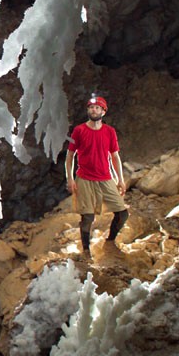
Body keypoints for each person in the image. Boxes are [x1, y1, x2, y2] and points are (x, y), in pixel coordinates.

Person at [65, 94, 128, 261]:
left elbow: (114, 157)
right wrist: (70, 178)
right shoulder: (79, 130)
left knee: (122, 213)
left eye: (98, 108)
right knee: (88, 217)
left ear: (103, 111)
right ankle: (86, 251)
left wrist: (120, 179)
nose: (94, 110)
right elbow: (70, 156)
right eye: (92, 107)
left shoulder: (109, 132)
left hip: (105, 178)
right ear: (88, 110)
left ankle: (110, 241)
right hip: (84, 178)